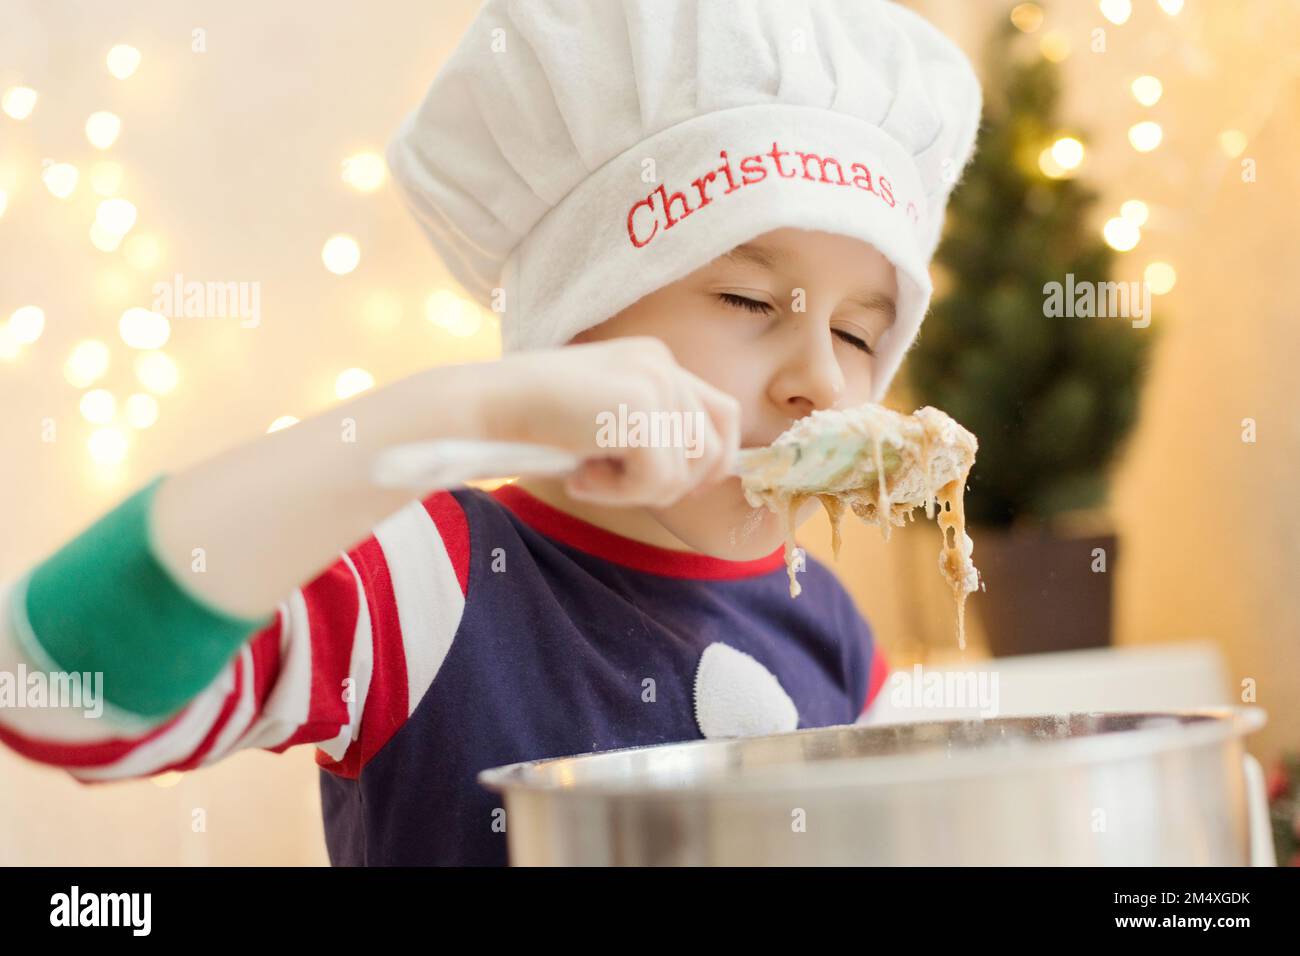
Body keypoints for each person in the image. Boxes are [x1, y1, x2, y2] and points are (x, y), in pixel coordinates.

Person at [0, 0, 981, 865]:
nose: (822, 377)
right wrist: (467, 409)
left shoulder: (829, 629)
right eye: (746, 296)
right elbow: (48, 689)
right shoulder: (424, 584)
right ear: (577, 327)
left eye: (858, 333)